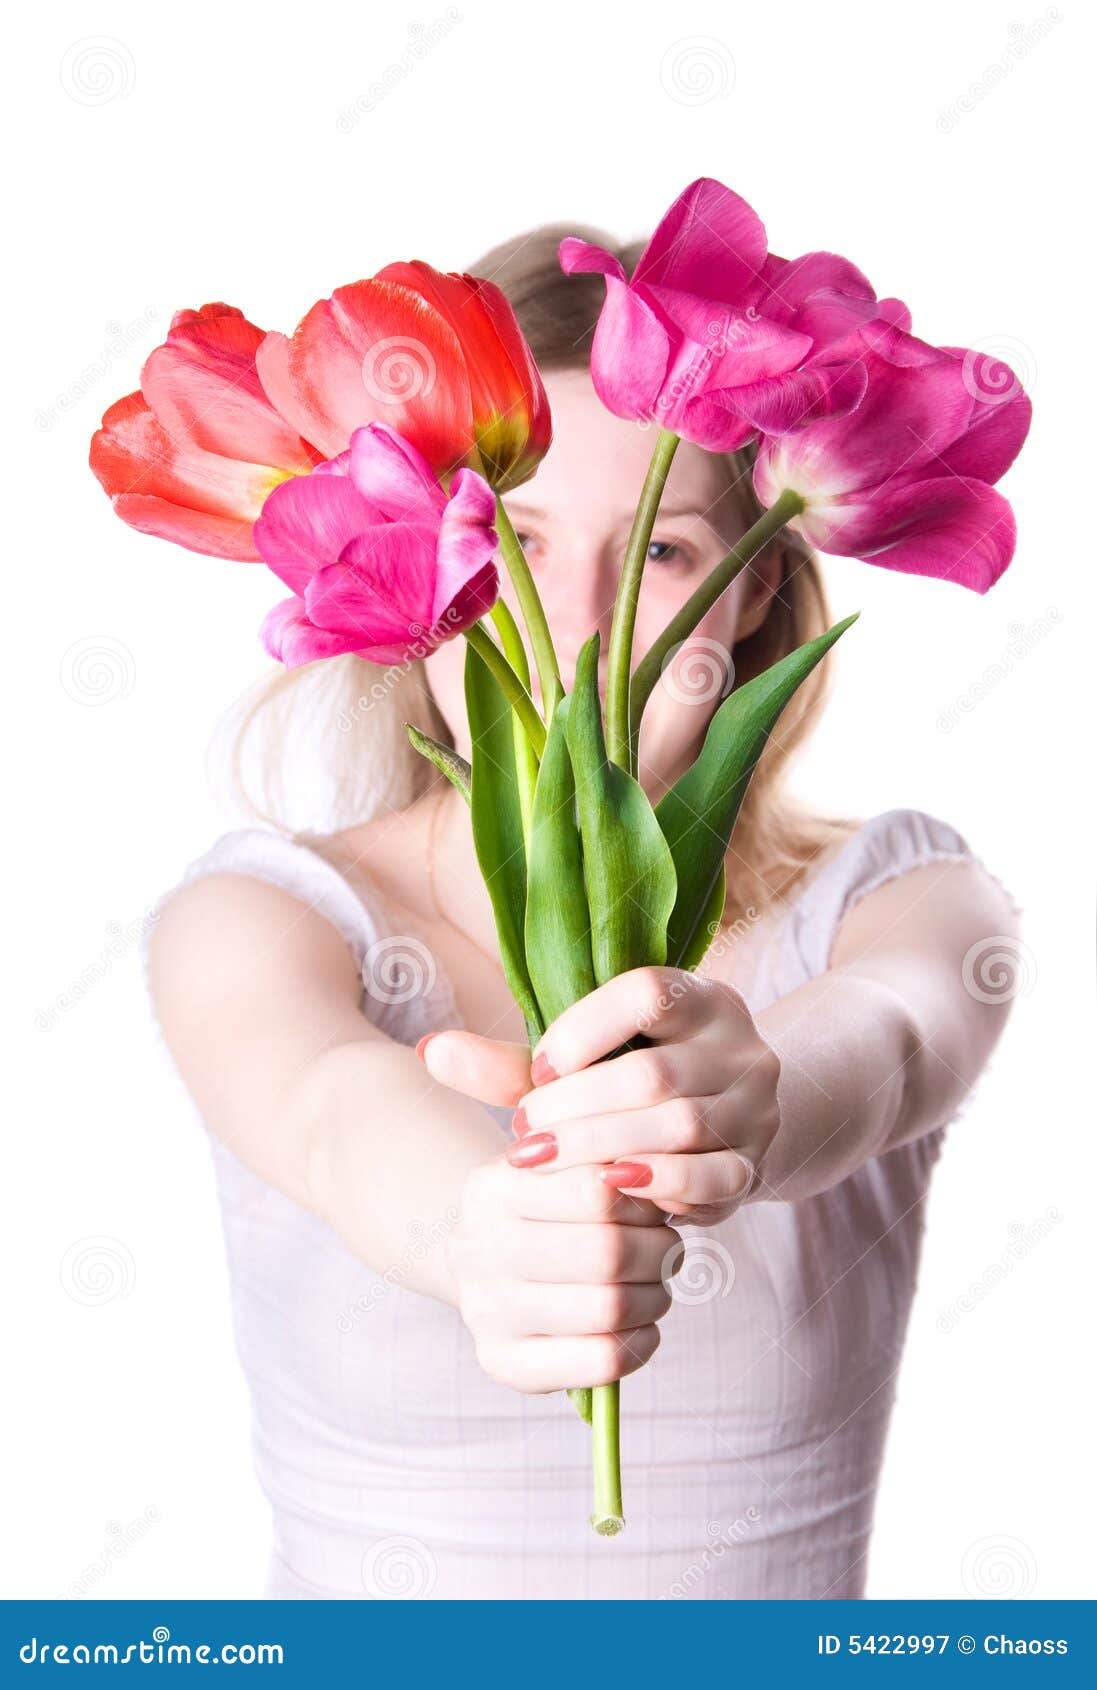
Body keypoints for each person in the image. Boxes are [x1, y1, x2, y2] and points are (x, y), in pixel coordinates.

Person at [147, 224, 1017, 1600]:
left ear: (759, 596)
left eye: (665, 552)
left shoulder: (907, 902)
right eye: (511, 532)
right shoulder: (263, 919)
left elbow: (885, 1041)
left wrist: (748, 1102)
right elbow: (326, 1107)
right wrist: (476, 1228)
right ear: (398, 553)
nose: (581, 626)